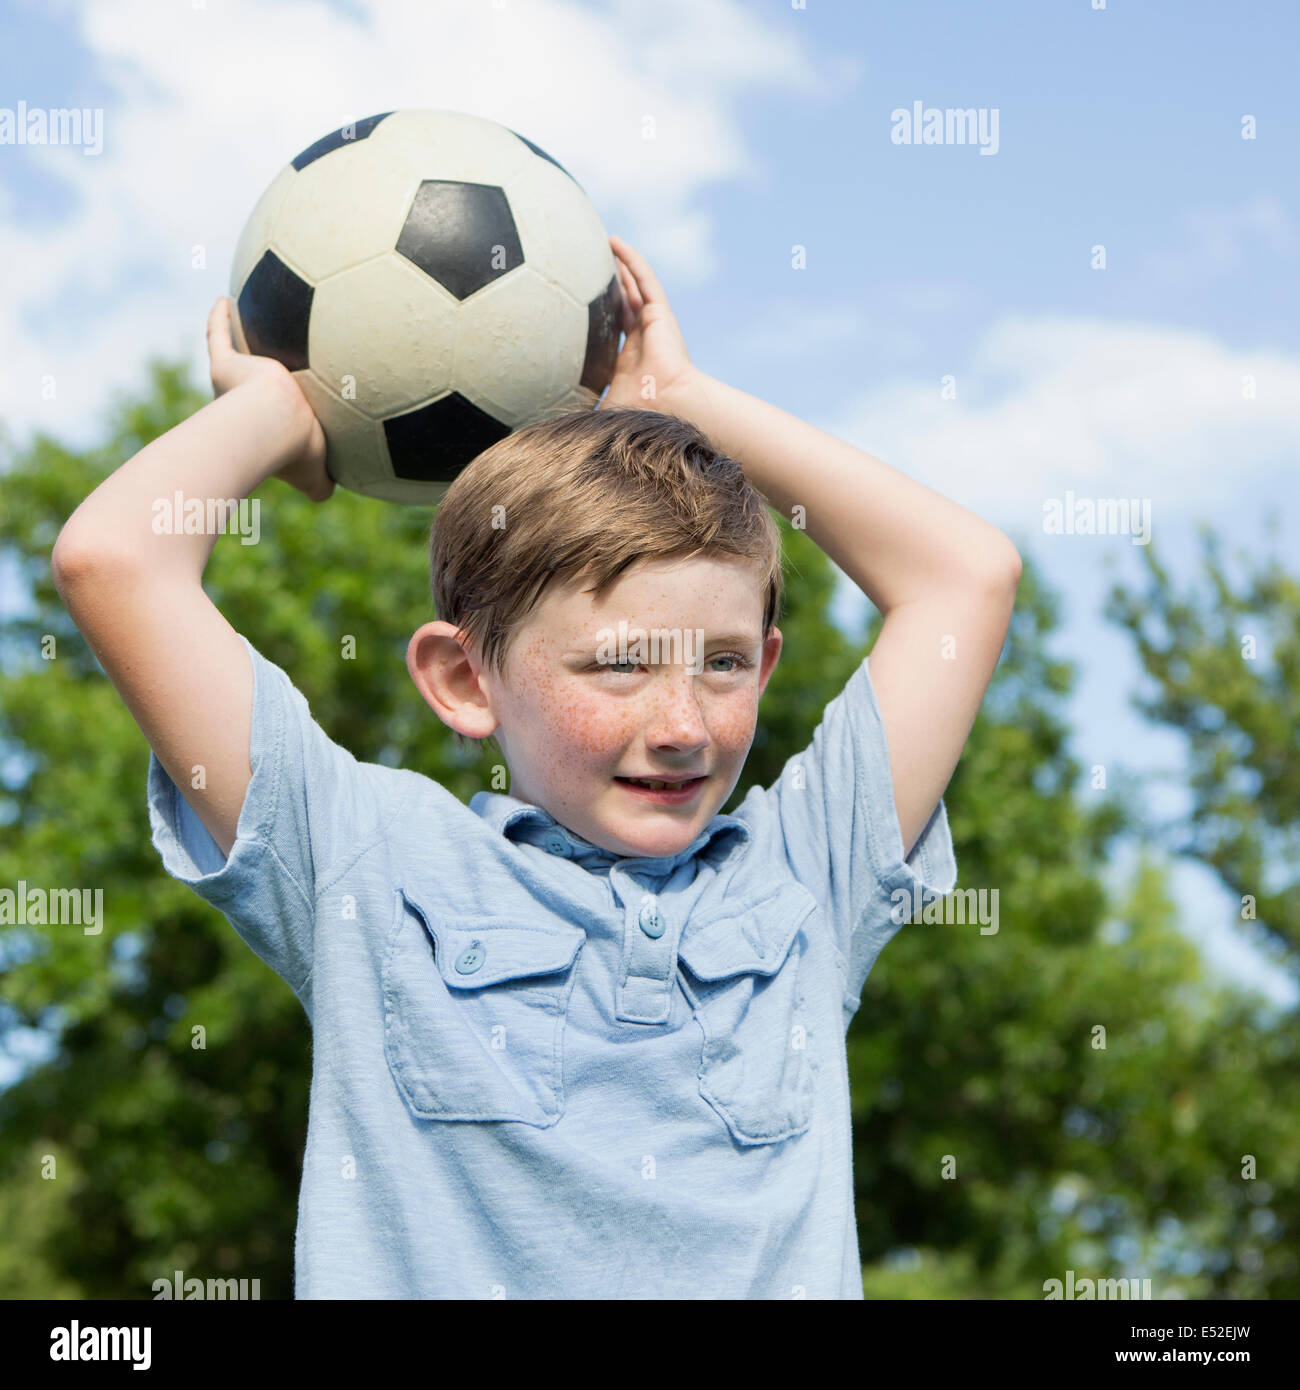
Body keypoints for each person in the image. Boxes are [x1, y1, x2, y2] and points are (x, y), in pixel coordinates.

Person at [51, 234, 1020, 1298]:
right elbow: (116, 558)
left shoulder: (807, 872)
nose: (684, 723)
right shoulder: (361, 865)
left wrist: (684, 400)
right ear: (464, 681)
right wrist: (284, 408)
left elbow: (965, 576)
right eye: (615, 666)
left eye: (726, 663)